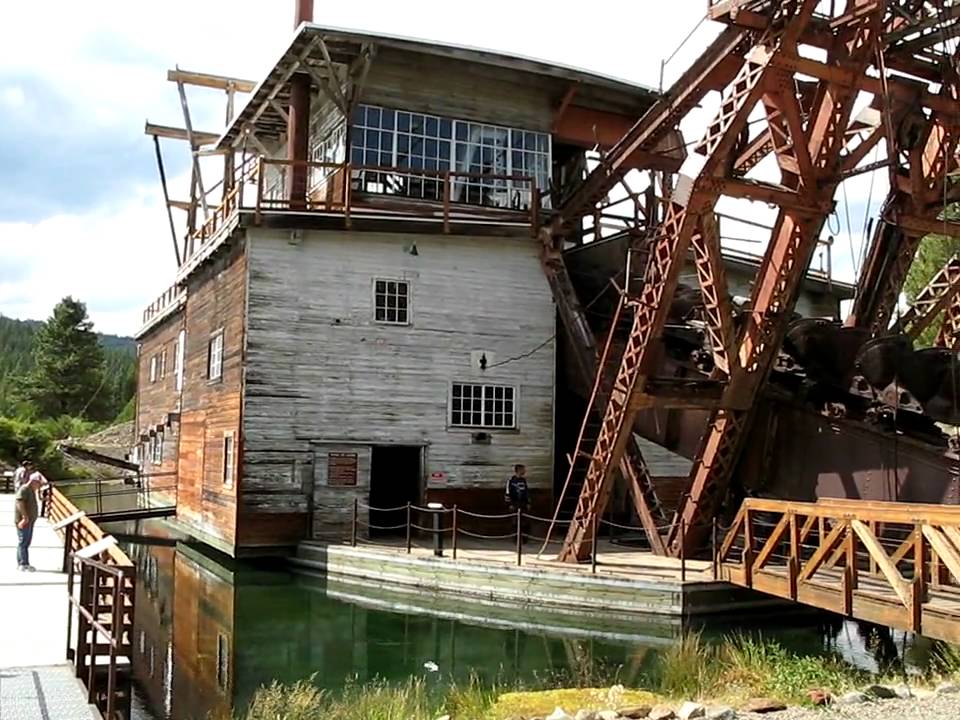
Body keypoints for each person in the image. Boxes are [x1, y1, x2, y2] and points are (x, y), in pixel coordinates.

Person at [14, 472, 43, 572]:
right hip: (24, 521)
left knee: (26, 542)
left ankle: (23, 562)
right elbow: (20, 503)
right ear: (33, 481)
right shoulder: (24, 489)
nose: (39, 486)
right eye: (38, 483)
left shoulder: (31, 490)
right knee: (23, 542)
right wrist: (24, 517)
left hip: (29, 521)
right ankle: (23, 563)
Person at [504, 464, 530, 543]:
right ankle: (516, 539)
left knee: (525, 522)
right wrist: (510, 504)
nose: (524, 471)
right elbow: (507, 493)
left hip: (523, 503)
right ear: (518, 470)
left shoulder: (523, 480)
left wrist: (528, 502)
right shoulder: (511, 481)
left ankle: (525, 539)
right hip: (515, 503)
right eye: (523, 469)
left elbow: (526, 492)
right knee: (515, 522)